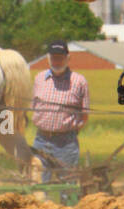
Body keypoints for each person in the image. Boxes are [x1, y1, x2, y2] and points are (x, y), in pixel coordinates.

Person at [30, 40, 89, 183]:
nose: (56, 61)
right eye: (53, 57)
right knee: (37, 185)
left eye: (60, 57)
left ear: (68, 58)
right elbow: (33, 106)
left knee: (68, 189)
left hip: (66, 144)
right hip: (40, 140)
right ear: (48, 58)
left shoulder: (79, 81)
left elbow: (85, 115)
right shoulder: (39, 78)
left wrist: (69, 131)